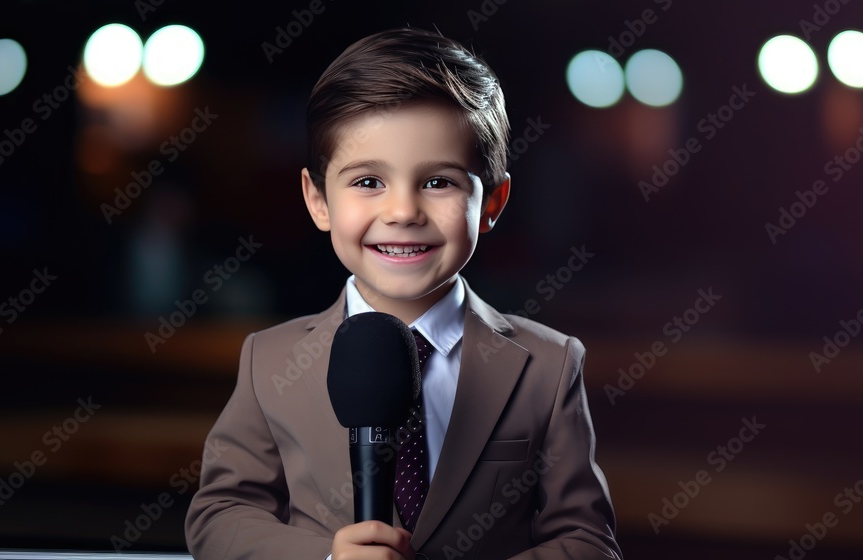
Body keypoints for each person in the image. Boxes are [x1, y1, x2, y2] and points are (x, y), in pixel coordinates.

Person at [185, 27, 622, 560]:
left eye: (438, 182)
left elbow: (586, 540)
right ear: (318, 200)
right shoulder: (269, 359)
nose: (402, 212)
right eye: (368, 182)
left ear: (492, 201)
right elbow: (219, 516)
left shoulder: (549, 366)